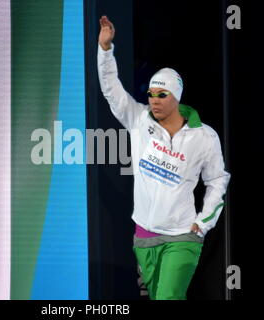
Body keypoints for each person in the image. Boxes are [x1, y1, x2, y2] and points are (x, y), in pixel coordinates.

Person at [97, 15, 231, 300]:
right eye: (151, 94)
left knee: (168, 296)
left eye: (162, 94)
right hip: (144, 235)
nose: (154, 100)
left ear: (177, 98)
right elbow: (112, 90)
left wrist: (202, 223)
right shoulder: (138, 120)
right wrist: (105, 51)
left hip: (182, 236)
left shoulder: (204, 136)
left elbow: (218, 180)